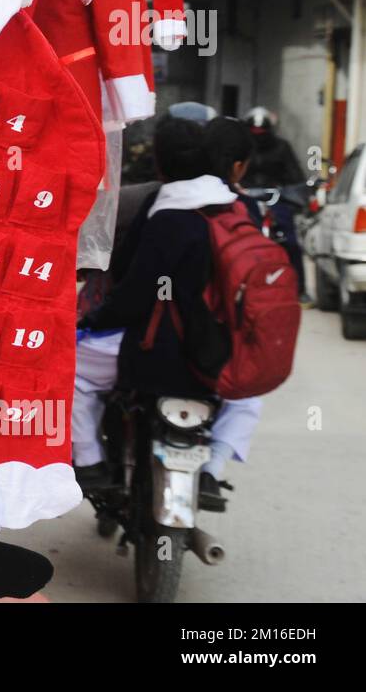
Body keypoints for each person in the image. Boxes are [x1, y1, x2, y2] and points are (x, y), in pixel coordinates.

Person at [74, 117, 237, 494]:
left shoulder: (161, 213)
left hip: (157, 356)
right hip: (222, 357)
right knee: (248, 402)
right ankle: (212, 470)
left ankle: (90, 462)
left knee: (72, 371)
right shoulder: (236, 210)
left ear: (159, 164)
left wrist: (93, 322)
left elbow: (132, 295)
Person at [243, 106, 309, 302]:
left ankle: (300, 288)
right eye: (253, 132)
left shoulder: (282, 147)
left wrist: (291, 191)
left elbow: (295, 176)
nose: (257, 136)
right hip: (245, 200)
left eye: (261, 132)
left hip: (276, 200)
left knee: (291, 242)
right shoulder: (241, 148)